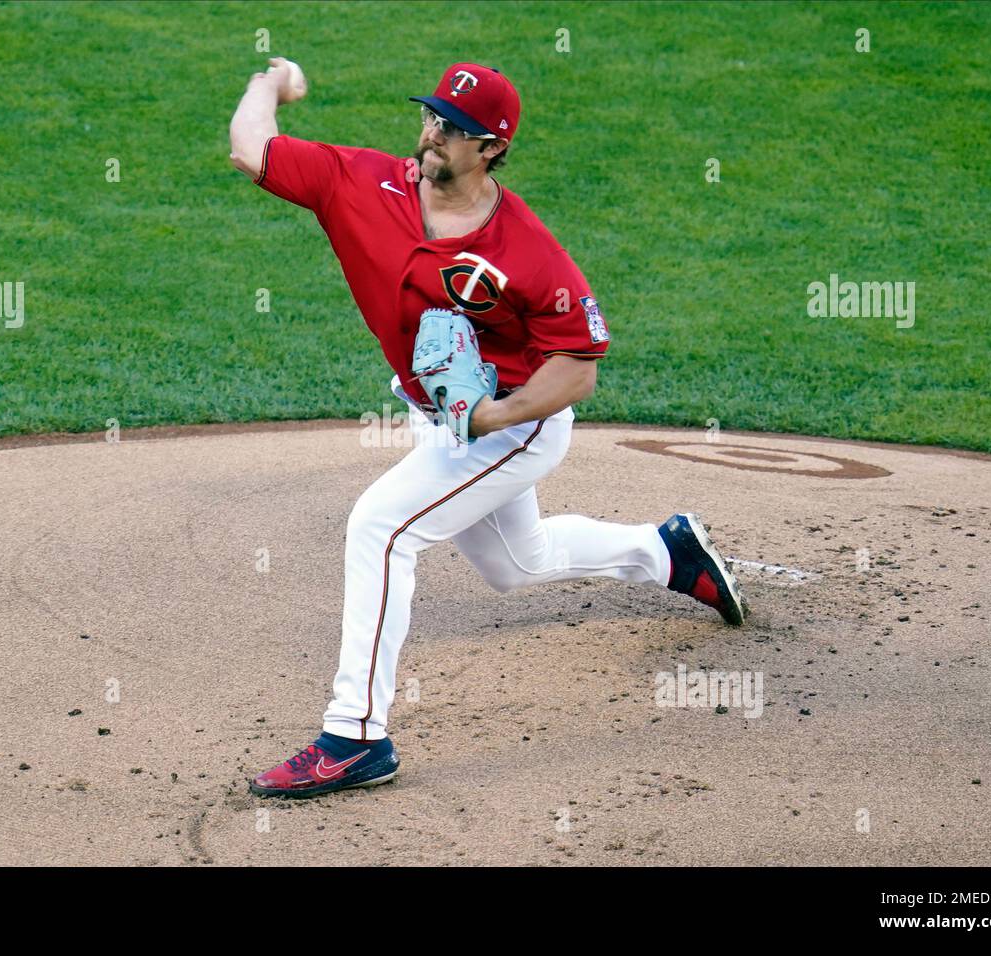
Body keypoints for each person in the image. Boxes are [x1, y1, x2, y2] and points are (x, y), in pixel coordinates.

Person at [229, 59, 748, 798]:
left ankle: (356, 736)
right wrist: (270, 84)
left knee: (380, 527)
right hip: (446, 419)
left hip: (517, 425)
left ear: (492, 149)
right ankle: (666, 555)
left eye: (455, 130)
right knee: (515, 565)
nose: (433, 136)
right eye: (433, 117)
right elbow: (253, 147)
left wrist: (492, 418)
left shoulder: (526, 250)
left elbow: (578, 368)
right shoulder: (363, 182)